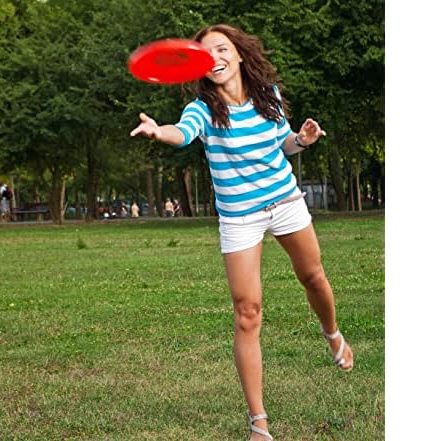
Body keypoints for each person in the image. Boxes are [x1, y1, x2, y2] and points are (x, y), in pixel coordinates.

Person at [130, 24, 353, 441]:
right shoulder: (203, 109)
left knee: (314, 278)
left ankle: (333, 335)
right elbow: (183, 134)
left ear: (238, 54)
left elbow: (279, 143)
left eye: (221, 48)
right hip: (240, 217)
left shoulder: (269, 94)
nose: (214, 57)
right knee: (247, 313)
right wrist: (160, 132)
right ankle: (260, 424)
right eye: (205, 53)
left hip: (285, 202)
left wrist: (301, 141)